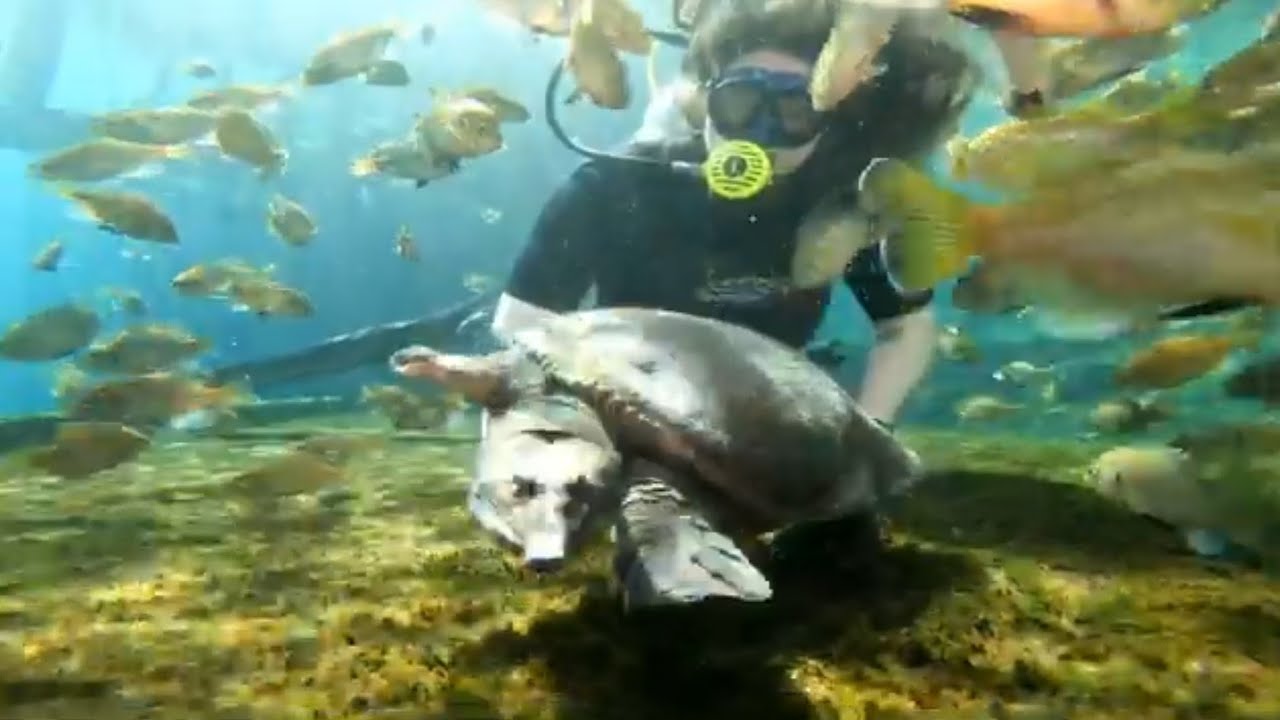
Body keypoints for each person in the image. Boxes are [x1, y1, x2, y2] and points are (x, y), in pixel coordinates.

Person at [494, 1, 976, 429]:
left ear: (828, 124)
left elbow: (904, 325)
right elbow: (522, 320)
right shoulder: (616, 185)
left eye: (794, 112)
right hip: (621, 397)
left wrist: (872, 431)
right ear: (705, 101)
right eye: (739, 104)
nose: (759, 134)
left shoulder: (843, 204)